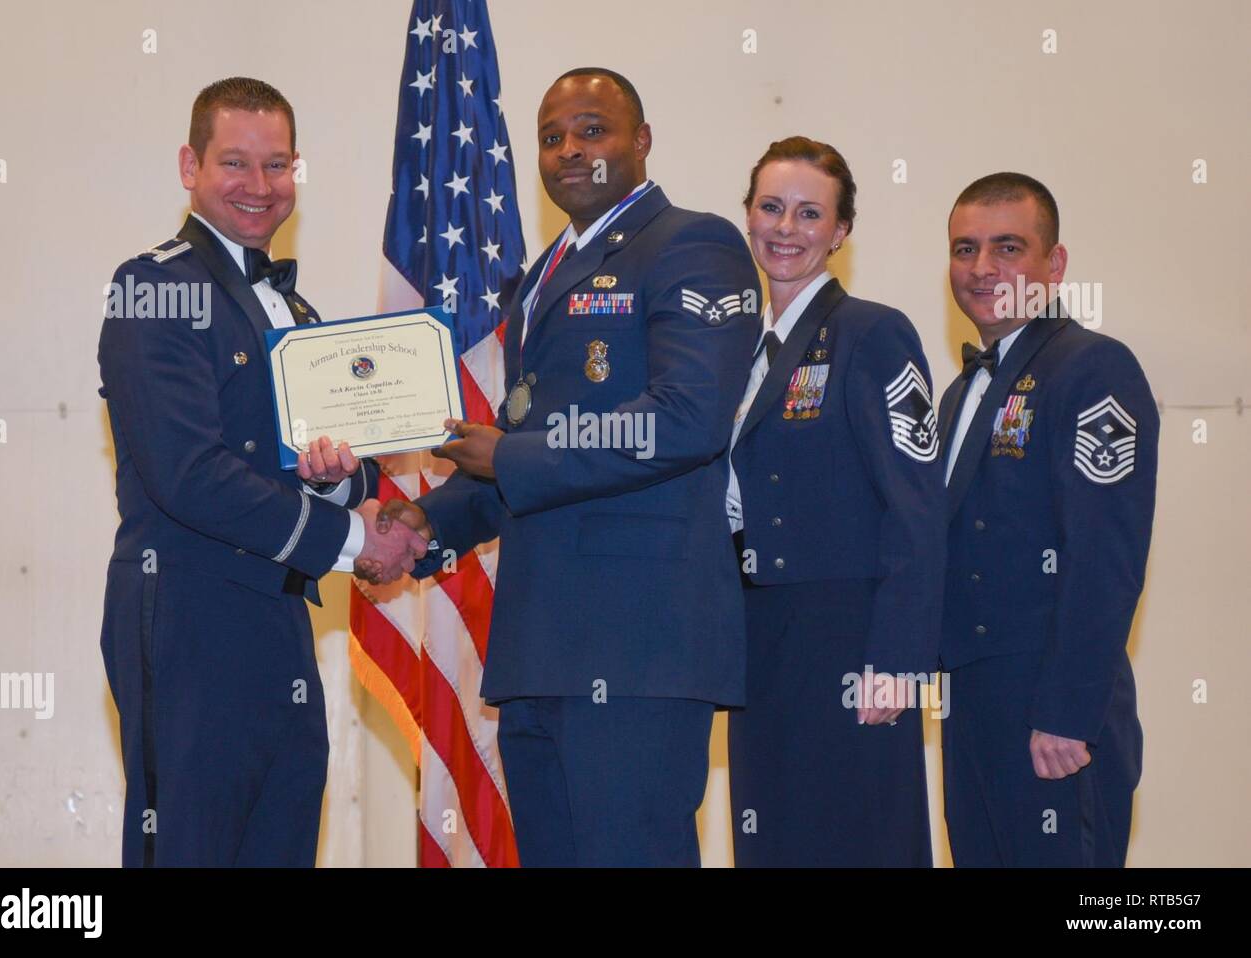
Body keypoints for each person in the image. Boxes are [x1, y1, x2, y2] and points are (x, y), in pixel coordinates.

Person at [366, 67, 761, 866]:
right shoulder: (543, 275)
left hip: (638, 647)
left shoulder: (693, 243)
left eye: (592, 130)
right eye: (552, 138)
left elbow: (685, 420)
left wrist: (512, 454)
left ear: (641, 142)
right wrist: (427, 520)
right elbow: (523, 450)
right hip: (540, 646)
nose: (571, 151)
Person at [97, 77, 426, 867]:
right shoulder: (155, 287)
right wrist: (354, 539)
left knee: (279, 840)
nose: (258, 186)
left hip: (279, 617)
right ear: (190, 164)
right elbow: (190, 475)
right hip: (188, 616)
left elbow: (315, 468)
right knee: (192, 846)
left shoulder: (299, 315)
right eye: (234, 163)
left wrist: (340, 484)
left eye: (276, 166)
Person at [725, 137, 944, 866]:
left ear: (841, 232)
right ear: (749, 215)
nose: (786, 228)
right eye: (771, 207)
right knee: (775, 842)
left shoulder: (873, 334)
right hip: (760, 642)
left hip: (849, 643)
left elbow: (917, 507)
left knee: (858, 840)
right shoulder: (734, 352)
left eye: (809, 213)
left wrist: (898, 658)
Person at [938, 172, 1158, 866]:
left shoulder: (1093, 369)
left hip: (1052, 714)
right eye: (965, 248)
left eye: (1008, 247)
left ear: (1053, 265)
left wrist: (1065, 713)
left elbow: (1105, 557)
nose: (982, 269)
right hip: (971, 706)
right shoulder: (960, 392)